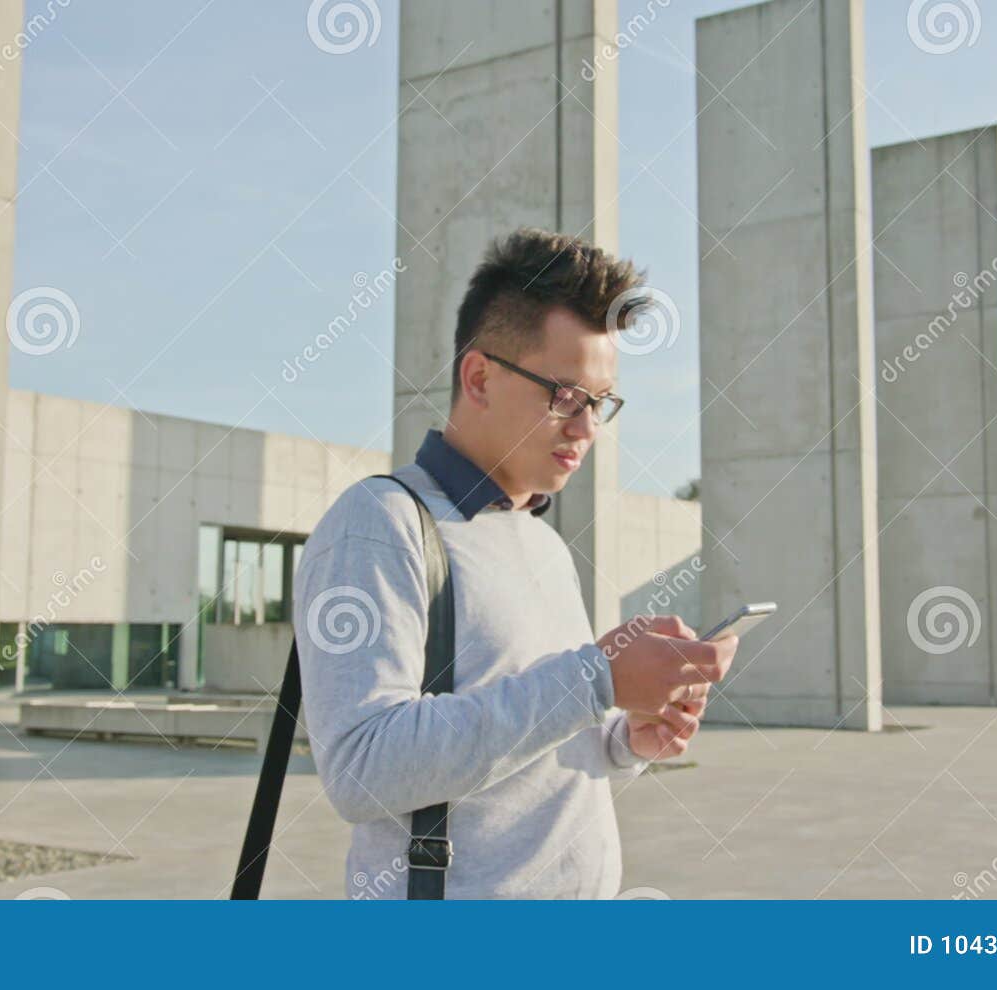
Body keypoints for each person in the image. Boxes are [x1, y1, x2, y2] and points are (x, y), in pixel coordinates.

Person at [293, 227, 736, 899]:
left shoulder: (542, 543)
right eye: (565, 396)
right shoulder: (380, 523)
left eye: (600, 403)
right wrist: (595, 680)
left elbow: (534, 741)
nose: (587, 428)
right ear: (479, 378)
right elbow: (362, 767)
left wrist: (626, 740)